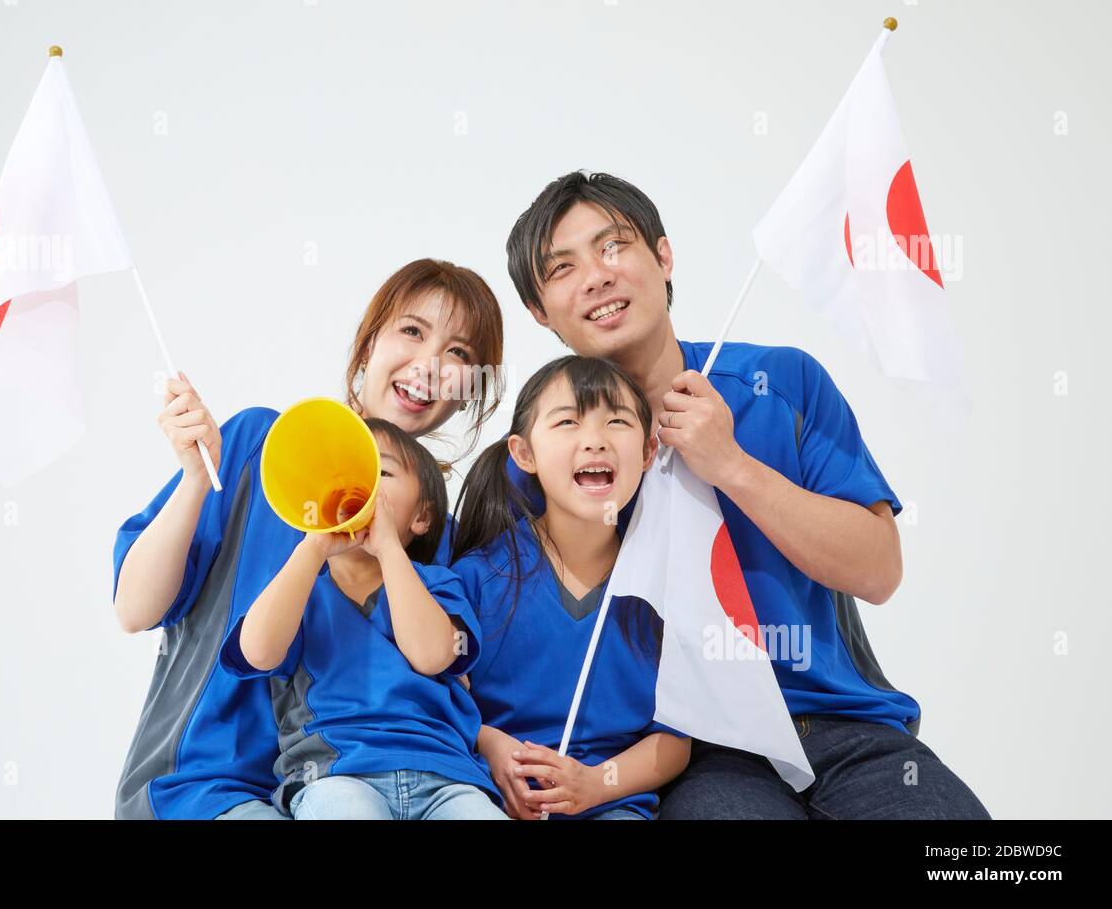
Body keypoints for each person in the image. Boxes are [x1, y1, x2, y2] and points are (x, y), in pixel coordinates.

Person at [502, 170, 989, 819]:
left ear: (663, 254)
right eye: (562, 268)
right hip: (694, 753)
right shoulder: (544, 454)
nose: (596, 275)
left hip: (842, 728)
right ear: (540, 312)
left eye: (613, 245)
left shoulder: (779, 383)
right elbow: (485, 619)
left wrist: (730, 464)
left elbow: (878, 570)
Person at [111, 259, 504, 819]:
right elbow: (133, 608)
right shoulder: (257, 448)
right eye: (412, 331)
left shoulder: (434, 536)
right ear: (367, 347)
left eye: (460, 354)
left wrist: (490, 745)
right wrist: (198, 480)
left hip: (367, 786)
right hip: (209, 786)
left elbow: (440, 687)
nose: (430, 365)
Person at [220, 419, 506, 819]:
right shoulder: (301, 590)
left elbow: (431, 656)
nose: (365, 484)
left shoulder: (438, 585)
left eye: (382, 472)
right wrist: (313, 545)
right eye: (355, 472)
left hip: (447, 777)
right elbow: (258, 652)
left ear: (422, 517)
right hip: (336, 774)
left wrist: (389, 548)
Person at [450, 355, 691, 820]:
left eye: (617, 421)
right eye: (567, 422)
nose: (595, 441)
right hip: (487, 802)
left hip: (613, 807)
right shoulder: (476, 577)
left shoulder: (667, 587)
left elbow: (675, 741)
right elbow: (446, 697)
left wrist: (597, 785)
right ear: (524, 454)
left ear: (646, 452)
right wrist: (494, 748)